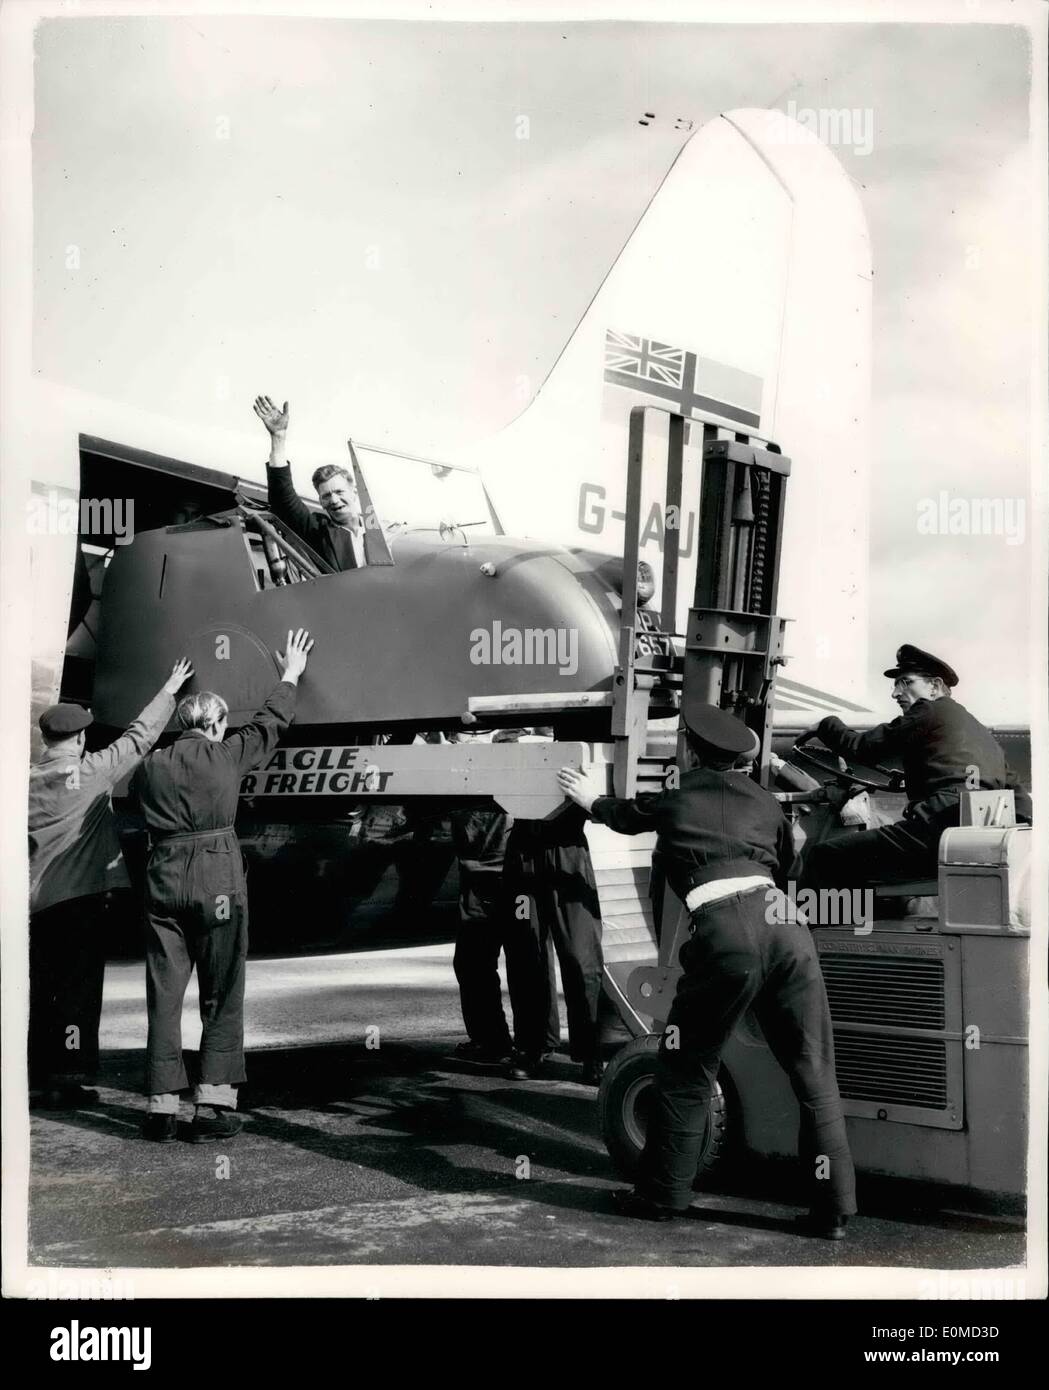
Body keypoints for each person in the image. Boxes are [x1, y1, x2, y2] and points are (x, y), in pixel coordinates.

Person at [559, 704, 857, 1239]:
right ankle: (832, 1210)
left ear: (689, 749)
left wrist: (590, 799)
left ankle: (662, 1196)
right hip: (786, 928)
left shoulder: (677, 798)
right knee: (813, 1071)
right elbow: (792, 867)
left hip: (726, 932)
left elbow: (626, 816)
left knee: (685, 1064)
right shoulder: (765, 802)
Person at [131, 629, 314, 1142]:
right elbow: (268, 724)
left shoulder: (151, 767)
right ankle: (212, 1104)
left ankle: (161, 1106)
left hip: (163, 876)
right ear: (212, 724)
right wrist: (291, 674)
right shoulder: (227, 755)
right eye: (221, 722)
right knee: (222, 989)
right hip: (216, 876)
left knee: (164, 995)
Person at [28, 660, 194, 1108]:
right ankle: (66, 1077)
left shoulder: (24, 781)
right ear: (80, 738)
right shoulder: (91, 772)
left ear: (46, 739)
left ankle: (37, 1075)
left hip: (35, 905)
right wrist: (171, 689)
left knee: (42, 990)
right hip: (80, 902)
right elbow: (138, 738)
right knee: (77, 993)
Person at [801, 644, 1032, 893]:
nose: (895, 693)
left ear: (934, 686)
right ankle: (869, 920)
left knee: (823, 856)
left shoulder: (929, 709)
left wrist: (826, 725)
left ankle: (815, 928)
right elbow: (1018, 795)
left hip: (935, 830)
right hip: (971, 841)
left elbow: (863, 747)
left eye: (905, 682)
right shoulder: (979, 731)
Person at [501, 801, 605, 1086]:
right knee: (526, 951)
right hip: (523, 851)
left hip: (568, 851)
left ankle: (591, 1052)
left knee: (581, 956)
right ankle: (532, 1046)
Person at [253, 395, 380, 571]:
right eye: (326, 496)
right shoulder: (320, 534)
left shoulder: (383, 531)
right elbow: (283, 499)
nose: (334, 500)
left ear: (355, 493)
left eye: (339, 492)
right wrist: (278, 438)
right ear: (320, 502)